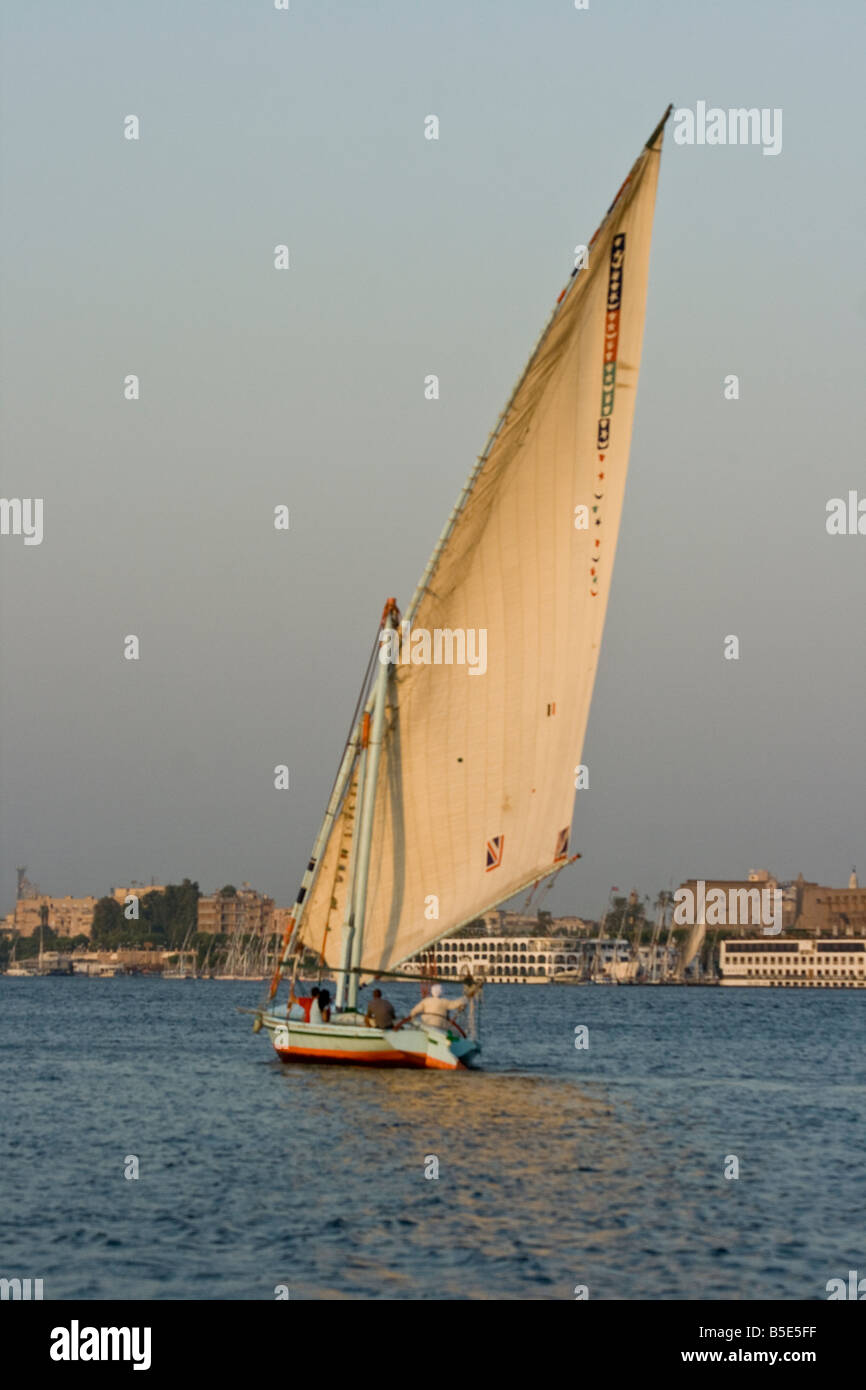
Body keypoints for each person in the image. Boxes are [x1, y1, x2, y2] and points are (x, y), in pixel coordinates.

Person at [400, 983, 466, 1032]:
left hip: (426, 1025)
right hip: (440, 1027)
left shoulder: (426, 1001)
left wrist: (412, 1018)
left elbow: (414, 1011)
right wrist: (465, 998)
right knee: (452, 1029)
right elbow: (455, 1004)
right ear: (442, 992)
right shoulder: (444, 1002)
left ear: (431, 992)